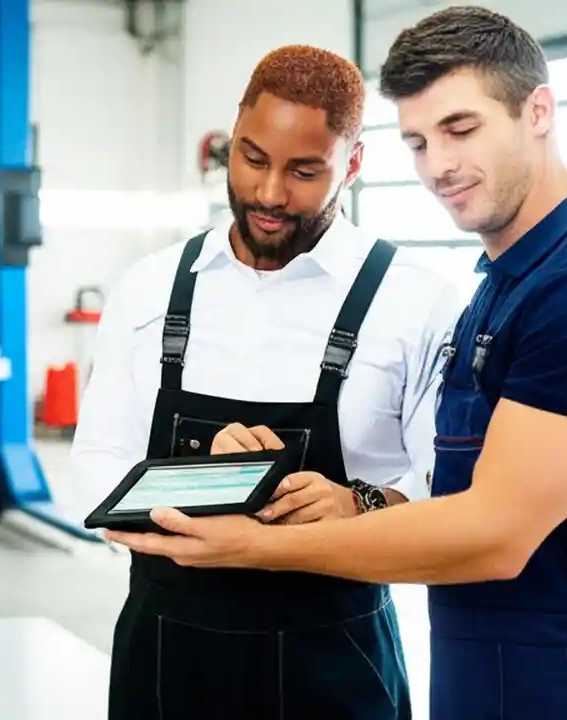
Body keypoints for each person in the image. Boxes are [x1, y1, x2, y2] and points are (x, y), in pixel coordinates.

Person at [104, 7, 567, 720]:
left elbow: (494, 534)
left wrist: (254, 545)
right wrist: (351, 498)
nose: (438, 166)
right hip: (486, 676)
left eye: (461, 129)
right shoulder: (505, 289)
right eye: (418, 142)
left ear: (538, 111)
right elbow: (439, 485)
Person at [70, 44, 461, 719]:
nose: (270, 194)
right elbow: (98, 458)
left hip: (334, 658)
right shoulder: (150, 288)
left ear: (353, 165)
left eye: (305, 171)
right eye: (252, 159)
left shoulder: (416, 304)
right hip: (167, 653)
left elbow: (452, 497)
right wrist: (197, 483)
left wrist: (357, 505)